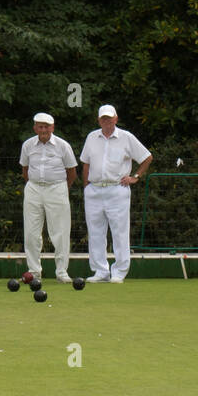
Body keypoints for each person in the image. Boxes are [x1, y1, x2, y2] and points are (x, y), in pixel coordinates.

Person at [79, 104, 152, 282]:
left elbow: (147, 157)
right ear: (99, 120)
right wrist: (86, 185)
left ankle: (119, 272)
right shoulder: (91, 137)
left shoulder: (126, 137)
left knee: (119, 231)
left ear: (116, 119)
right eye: (103, 118)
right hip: (94, 190)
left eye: (109, 118)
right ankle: (100, 271)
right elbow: (85, 163)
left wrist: (135, 176)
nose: (107, 121)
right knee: (95, 232)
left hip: (117, 189)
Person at [20, 113, 77, 283]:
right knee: (31, 232)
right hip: (33, 188)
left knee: (60, 231)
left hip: (57, 187)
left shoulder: (62, 146)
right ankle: (34, 272)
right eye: (40, 126)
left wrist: (62, 189)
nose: (43, 129)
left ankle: (61, 272)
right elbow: (25, 169)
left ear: (52, 127)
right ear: (35, 128)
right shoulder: (28, 145)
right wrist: (34, 184)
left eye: (46, 126)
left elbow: (72, 172)